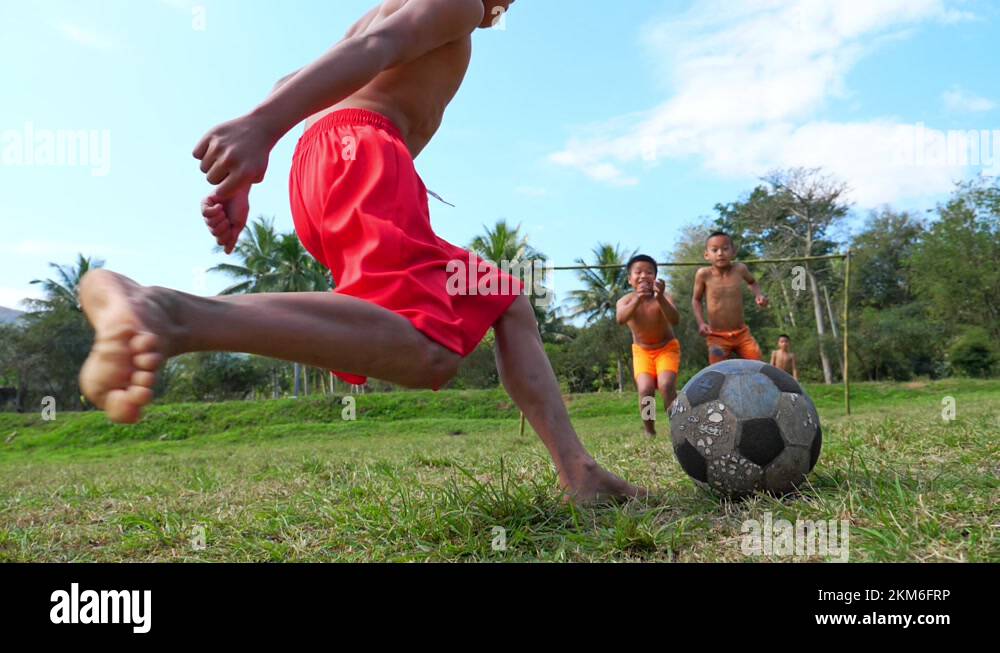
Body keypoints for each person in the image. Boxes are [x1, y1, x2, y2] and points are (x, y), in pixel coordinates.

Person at [77, 0, 643, 504]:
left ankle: (580, 473)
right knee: (428, 348)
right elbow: (378, 49)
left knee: (500, 295)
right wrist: (260, 128)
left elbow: (296, 73)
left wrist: (243, 176)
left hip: (327, 162)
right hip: (362, 152)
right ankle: (170, 313)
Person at [615, 255, 680, 437]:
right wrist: (638, 298)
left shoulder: (665, 297)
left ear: (656, 277)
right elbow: (621, 319)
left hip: (666, 348)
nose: (644, 276)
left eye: (649, 272)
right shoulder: (625, 301)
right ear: (630, 279)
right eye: (638, 272)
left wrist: (660, 298)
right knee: (645, 390)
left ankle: (677, 426)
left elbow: (675, 320)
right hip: (642, 352)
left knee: (666, 385)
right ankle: (649, 430)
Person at [692, 231, 768, 365]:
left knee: (758, 365)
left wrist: (759, 295)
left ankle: (755, 386)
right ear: (707, 255)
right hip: (716, 336)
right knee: (718, 370)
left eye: (725, 249)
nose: (720, 253)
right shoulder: (703, 274)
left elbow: (752, 282)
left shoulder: (740, 269)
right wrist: (701, 323)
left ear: (733, 252)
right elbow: (696, 300)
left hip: (742, 334)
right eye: (715, 250)